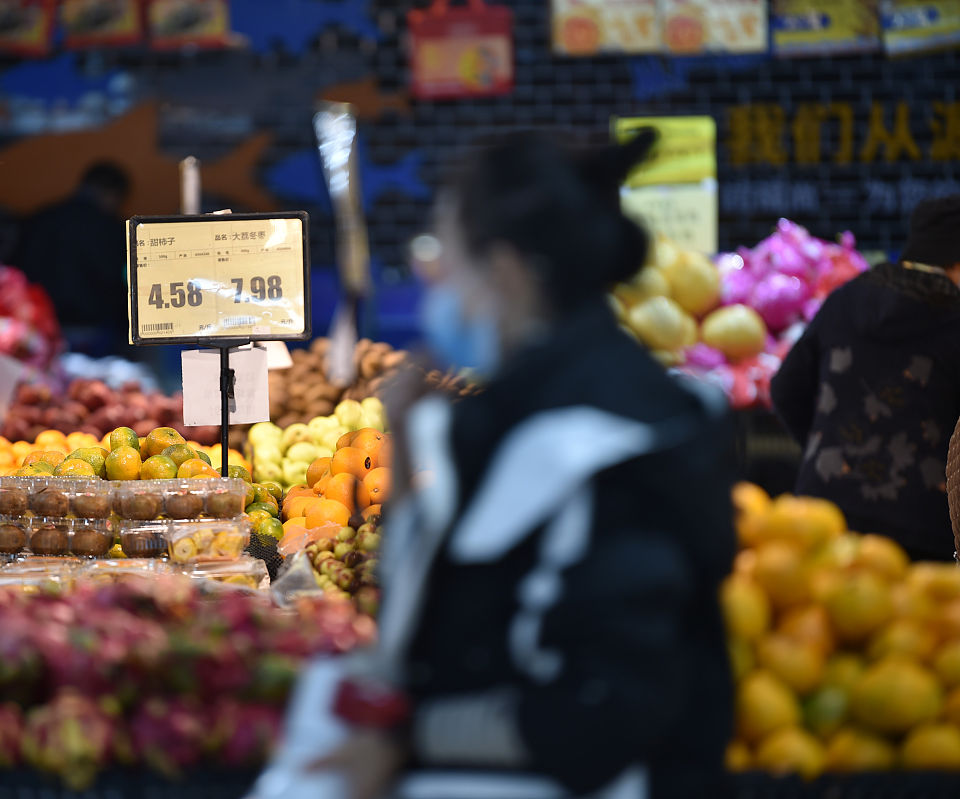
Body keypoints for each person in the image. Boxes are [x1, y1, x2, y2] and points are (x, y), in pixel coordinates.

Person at [253, 130, 737, 799]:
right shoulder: (520, 415)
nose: (433, 283)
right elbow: (458, 623)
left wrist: (405, 738)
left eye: (442, 258)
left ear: (504, 271)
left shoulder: (607, 438)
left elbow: (605, 707)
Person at [771, 195, 960, 562]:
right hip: (920, 528)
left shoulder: (846, 297)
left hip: (823, 516)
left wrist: (827, 445)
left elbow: (785, 388)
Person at [14, 161, 131, 355]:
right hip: (93, 332)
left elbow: (18, 272)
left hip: (40, 328)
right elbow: (121, 279)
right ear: (112, 193)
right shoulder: (110, 228)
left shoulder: (41, 218)